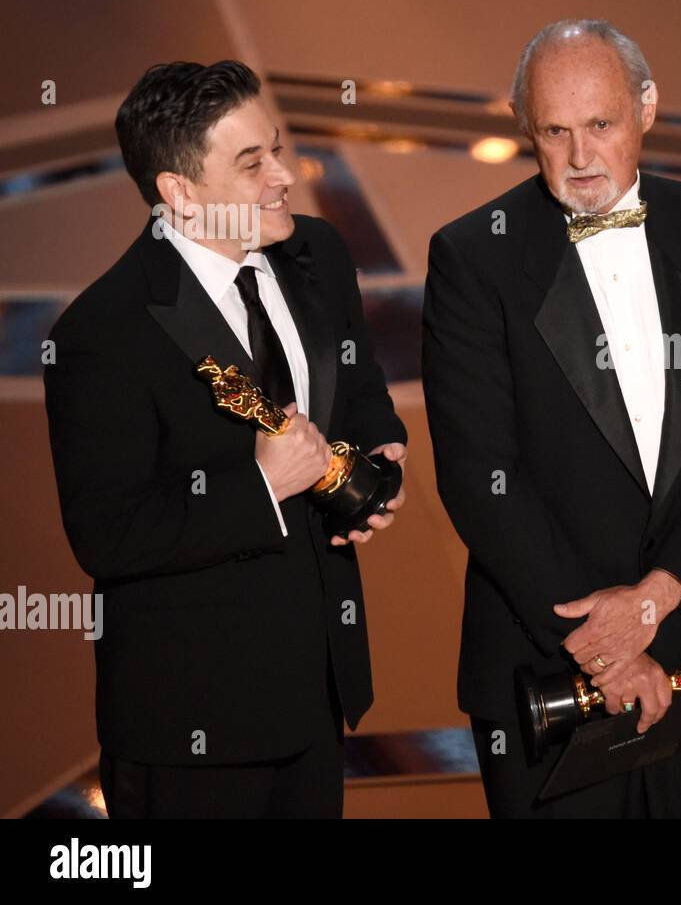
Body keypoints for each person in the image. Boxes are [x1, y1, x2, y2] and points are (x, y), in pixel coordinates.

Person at [422, 19, 681, 817]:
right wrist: (606, 645)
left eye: (601, 124)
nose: (581, 157)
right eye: (555, 130)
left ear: (647, 109)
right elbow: (480, 477)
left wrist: (656, 598)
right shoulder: (472, 256)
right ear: (527, 126)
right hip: (547, 672)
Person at [44, 60, 408, 818]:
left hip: (317, 697)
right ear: (179, 191)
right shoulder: (102, 333)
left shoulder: (318, 253)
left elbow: (357, 378)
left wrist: (380, 448)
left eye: (276, 148)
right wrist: (262, 484)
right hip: (192, 727)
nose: (285, 175)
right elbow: (106, 535)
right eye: (253, 163)